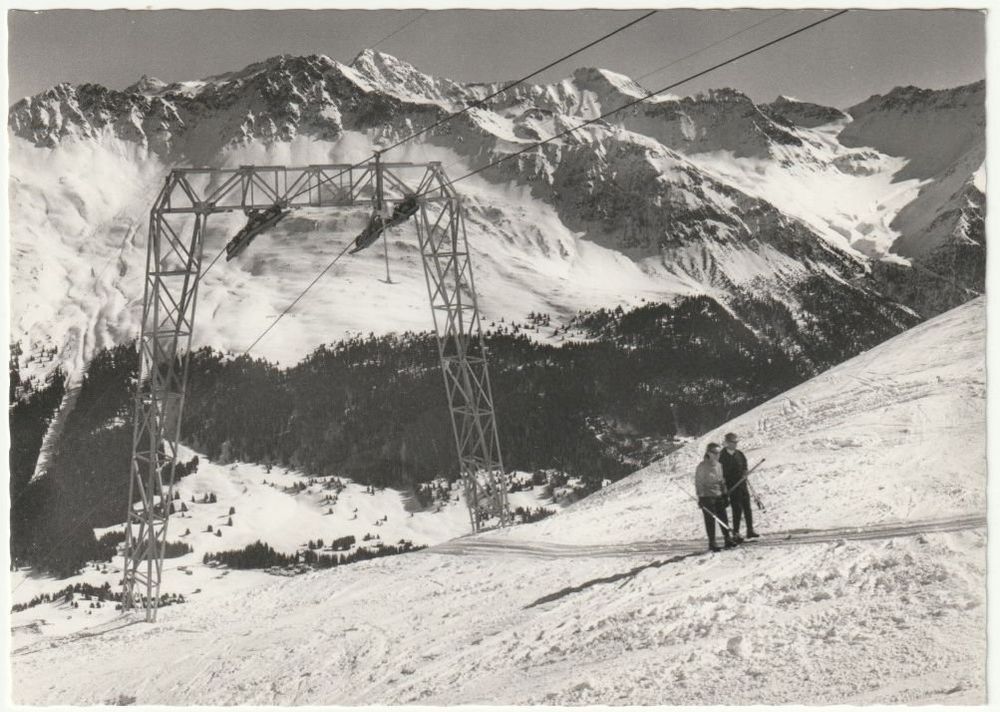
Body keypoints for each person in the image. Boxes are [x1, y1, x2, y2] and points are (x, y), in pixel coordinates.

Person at [694, 442, 735, 552]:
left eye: (719, 453)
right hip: (707, 497)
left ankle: (728, 539)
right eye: (715, 453)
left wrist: (725, 494)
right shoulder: (702, 467)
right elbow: (699, 483)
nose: (718, 455)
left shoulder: (719, 465)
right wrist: (701, 498)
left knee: (723, 517)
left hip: (718, 495)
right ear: (709, 453)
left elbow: (721, 481)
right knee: (710, 520)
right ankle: (712, 543)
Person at [719, 432, 758, 541]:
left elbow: (744, 465)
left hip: (742, 484)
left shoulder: (739, 454)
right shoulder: (722, 456)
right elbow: (721, 472)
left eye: (736, 442)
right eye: (733, 442)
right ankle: (736, 533)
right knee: (737, 509)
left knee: (747, 507)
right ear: (727, 443)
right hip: (732, 487)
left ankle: (750, 530)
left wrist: (745, 472)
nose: (735, 444)